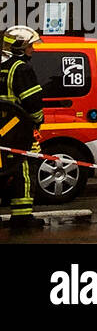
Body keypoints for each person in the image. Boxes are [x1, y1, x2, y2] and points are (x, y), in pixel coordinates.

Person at [0, 25, 45, 230]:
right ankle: (22, 216)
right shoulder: (21, 68)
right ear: (20, 47)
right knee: (24, 169)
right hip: (18, 133)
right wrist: (37, 122)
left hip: (1, 133)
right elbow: (33, 102)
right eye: (30, 46)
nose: (33, 50)